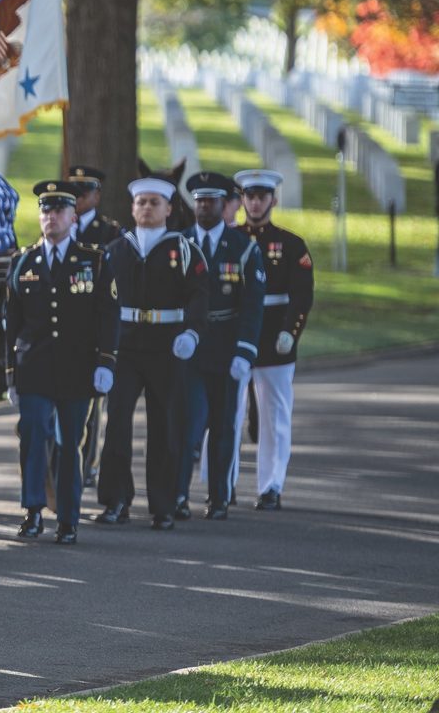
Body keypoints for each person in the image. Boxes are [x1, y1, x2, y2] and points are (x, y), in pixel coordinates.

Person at [4, 181, 119, 544]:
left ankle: (68, 518)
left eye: (58, 211)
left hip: (77, 368)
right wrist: (10, 374)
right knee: (33, 436)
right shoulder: (23, 261)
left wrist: (105, 362)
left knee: (71, 443)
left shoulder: (94, 260)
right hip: (34, 368)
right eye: (45, 210)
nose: (50, 217)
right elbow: (12, 324)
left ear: (73, 216)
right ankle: (34, 511)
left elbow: (108, 316)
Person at [94, 177, 208, 530]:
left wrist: (191, 330)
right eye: (141, 202)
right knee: (117, 425)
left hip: (165, 346)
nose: (146, 208)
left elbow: (200, 294)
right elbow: (102, 302)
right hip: (125, 347)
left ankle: (163, 504)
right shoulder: (115, 249)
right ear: (131, 208)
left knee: (166, 426)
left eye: (154, 202)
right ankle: (115, 500)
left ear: (169, 209)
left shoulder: (184, 249)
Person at [174, 171, 265, 521]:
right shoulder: (179, 243)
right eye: (199, 201)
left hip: (226, 350)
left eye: (211, 201)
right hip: (191, 350)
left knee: (225, 428)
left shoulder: (242, 247)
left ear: (225, 205)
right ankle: (180, 494)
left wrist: (244, 351)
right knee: (188, 424)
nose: (204, 207)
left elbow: (252, 306)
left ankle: (218, 498)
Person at [236, 168, 314, 511]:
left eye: (261, 197)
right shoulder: (231, 238)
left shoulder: (292, 243)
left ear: (273, 200)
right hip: (236, 335)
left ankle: (271, 486)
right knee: (225, 414)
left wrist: (290, 331)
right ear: (242, 200)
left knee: (274, 415)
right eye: (249, 196)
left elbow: (301, 295)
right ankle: (221, 484)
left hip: (273, 336)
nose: (255, 203)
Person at [66, 164, 123, 486]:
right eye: (72, 192)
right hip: (63, 330)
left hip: (93, 330)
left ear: (97, 195)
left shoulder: (111, 234)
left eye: (83, 192)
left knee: (93, 412)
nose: (77, 199)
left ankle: (88, 465)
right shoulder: (60, 227)